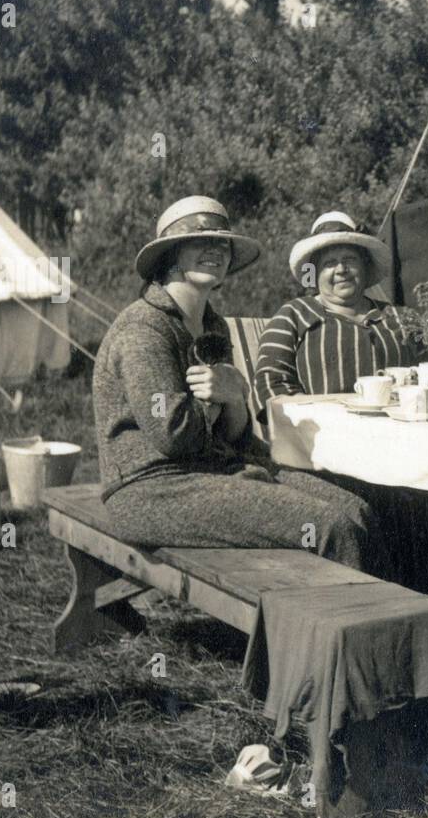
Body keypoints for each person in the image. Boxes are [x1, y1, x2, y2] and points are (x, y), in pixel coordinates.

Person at [93, 196, 378, 570]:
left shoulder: (213, 325)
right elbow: (172, 435)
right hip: (151, 488)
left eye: (222, 243)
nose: (215, 250)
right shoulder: (143, 329)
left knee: (357, 508)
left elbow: (233, 434)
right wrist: (222, 396)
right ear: (172, 256)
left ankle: (398, 624)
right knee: (329, 527)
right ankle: (332, 627)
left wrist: (233, 399)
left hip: (216, 470)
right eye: (201, 241)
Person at [251, 211, 421, 419]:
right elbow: (271, 383)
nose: (341, 269)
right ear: (314, 274)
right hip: (323, 436)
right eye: (329, 263)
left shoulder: (400, 318)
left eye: (350, 259)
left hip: (398, 435)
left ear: (365, 267)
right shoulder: (293, 316)